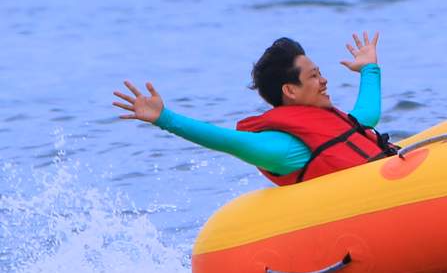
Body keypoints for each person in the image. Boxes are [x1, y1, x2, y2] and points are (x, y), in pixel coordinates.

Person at [114, 33, 397, 185]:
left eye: (320, 73)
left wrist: (369, 68)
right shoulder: (282, 148)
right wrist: (165, 118)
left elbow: (366, 115)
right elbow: (225, 140)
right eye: (313, 76)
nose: (324, 80)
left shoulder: (337, 122)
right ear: (290, 90)